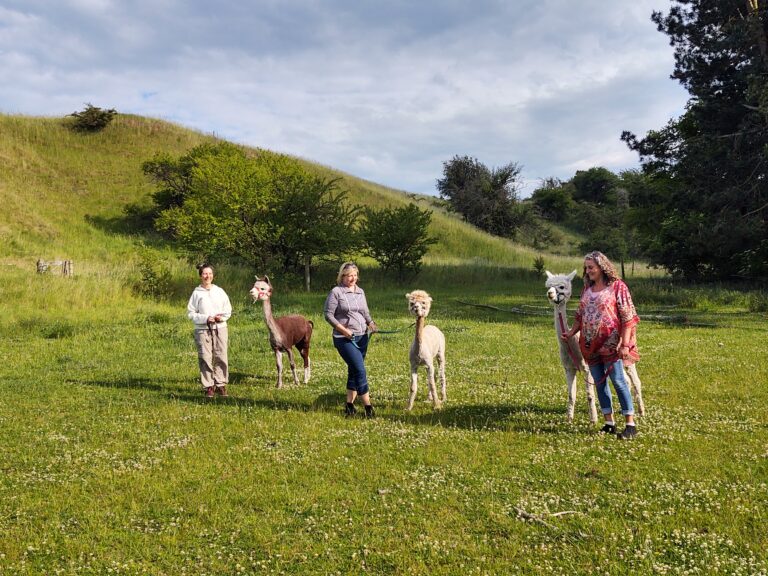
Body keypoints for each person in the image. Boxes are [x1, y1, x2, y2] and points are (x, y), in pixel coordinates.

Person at [562, 251, 640, 439]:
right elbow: (580, 314)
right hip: (590, 345)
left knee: (619, 381)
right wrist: (572, 332)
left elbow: (627, 317)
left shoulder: (617, 287)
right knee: (599, 383)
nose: (588, 271)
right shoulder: (587, 289)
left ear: (602, 267)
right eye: (586, 268)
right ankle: (609, 422)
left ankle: (630, 424)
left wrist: (625, 343)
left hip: (611, 344)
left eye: (591, 267)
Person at [324, 262, 378, 418]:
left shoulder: (360, 292)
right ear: (342, 276)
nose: (352, 278)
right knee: (360, 370)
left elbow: (365, 311)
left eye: (355, 275)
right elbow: (328, 315)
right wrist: (343, 330)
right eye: (349, 276)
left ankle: (349, 406)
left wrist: (371, 323)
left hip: (362, 337)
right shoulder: (336, 292)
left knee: (354, 370)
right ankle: (368, 408)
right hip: (344, 339)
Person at [187, 263, 232, 398]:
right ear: (201, 276)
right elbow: (191, 313)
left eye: (210, 273)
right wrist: (206, 318)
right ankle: (208, 386)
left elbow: (228, 309)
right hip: (203, 329)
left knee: (221, 356)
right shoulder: (196, 293)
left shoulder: (219, 291)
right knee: (205, 357)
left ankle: (221, 384)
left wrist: (220, 317)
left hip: (220, 328)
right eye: (205, 274)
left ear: (213, 275)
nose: (208, 276)